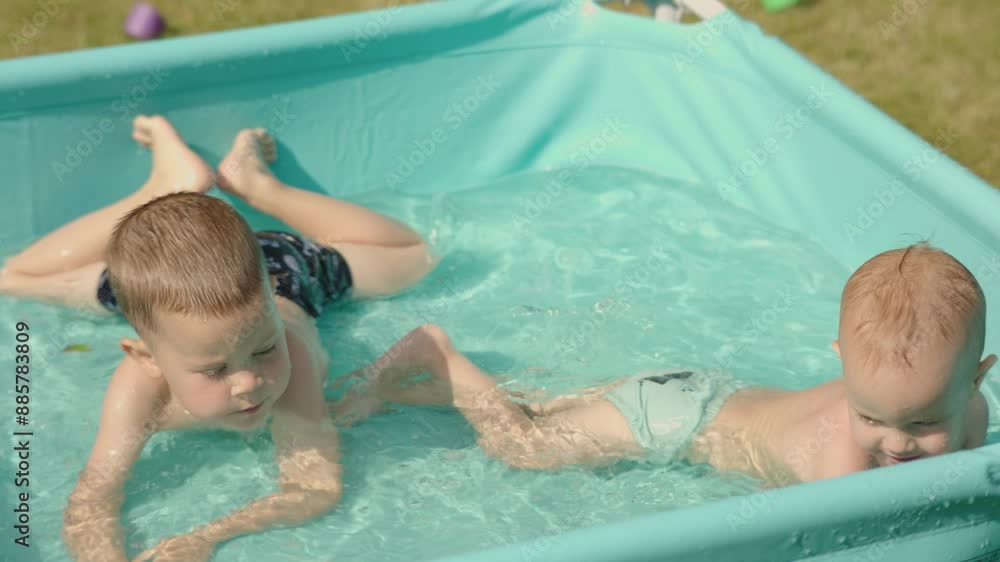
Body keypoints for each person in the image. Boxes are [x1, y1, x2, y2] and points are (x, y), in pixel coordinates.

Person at [0, 115, 437, 562]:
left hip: (288, 274)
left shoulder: (293, 359)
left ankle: (260, 188)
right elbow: (93, 500)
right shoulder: (139, 386)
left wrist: (207, 536)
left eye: (265, 349)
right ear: (146, 356)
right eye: (214, 369)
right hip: (172, 283)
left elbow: (314, 486)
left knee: (417, 256)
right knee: (12, 277)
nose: (248, 381)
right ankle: (169, 187)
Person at [336, 243, 993, 487]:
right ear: (840, 366)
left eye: (924, 423)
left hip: (707, 394)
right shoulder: (846, 465)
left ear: (977, 379)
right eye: (872, 415)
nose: (897, 442)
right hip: (675, 419)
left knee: (532, 418)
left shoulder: (968, 411)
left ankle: (425, 389)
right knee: (524, 446)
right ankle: (443, 357)